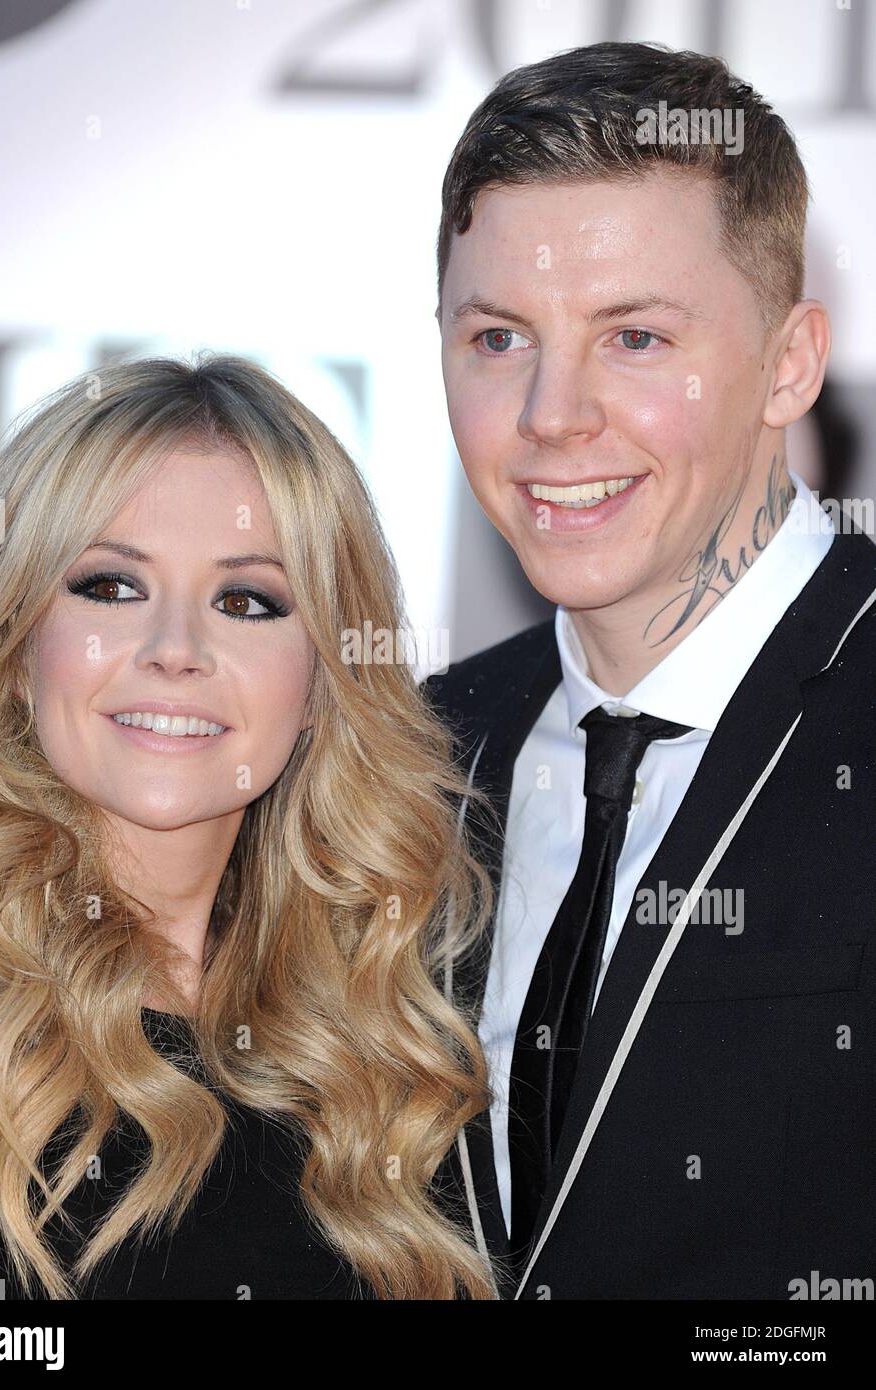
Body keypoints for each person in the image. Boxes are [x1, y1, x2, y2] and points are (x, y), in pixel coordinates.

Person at [424, 41, 876, 1299]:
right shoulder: (405, 758)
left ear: (790, 364)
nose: (552, 415)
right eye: (500, 336)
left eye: (632, 336)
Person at [0, 353, 499, 1301]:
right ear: (17, 644)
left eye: (246, 602)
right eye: (110, 586)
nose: (175, 651)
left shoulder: (390, 1029)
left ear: (321, 682)